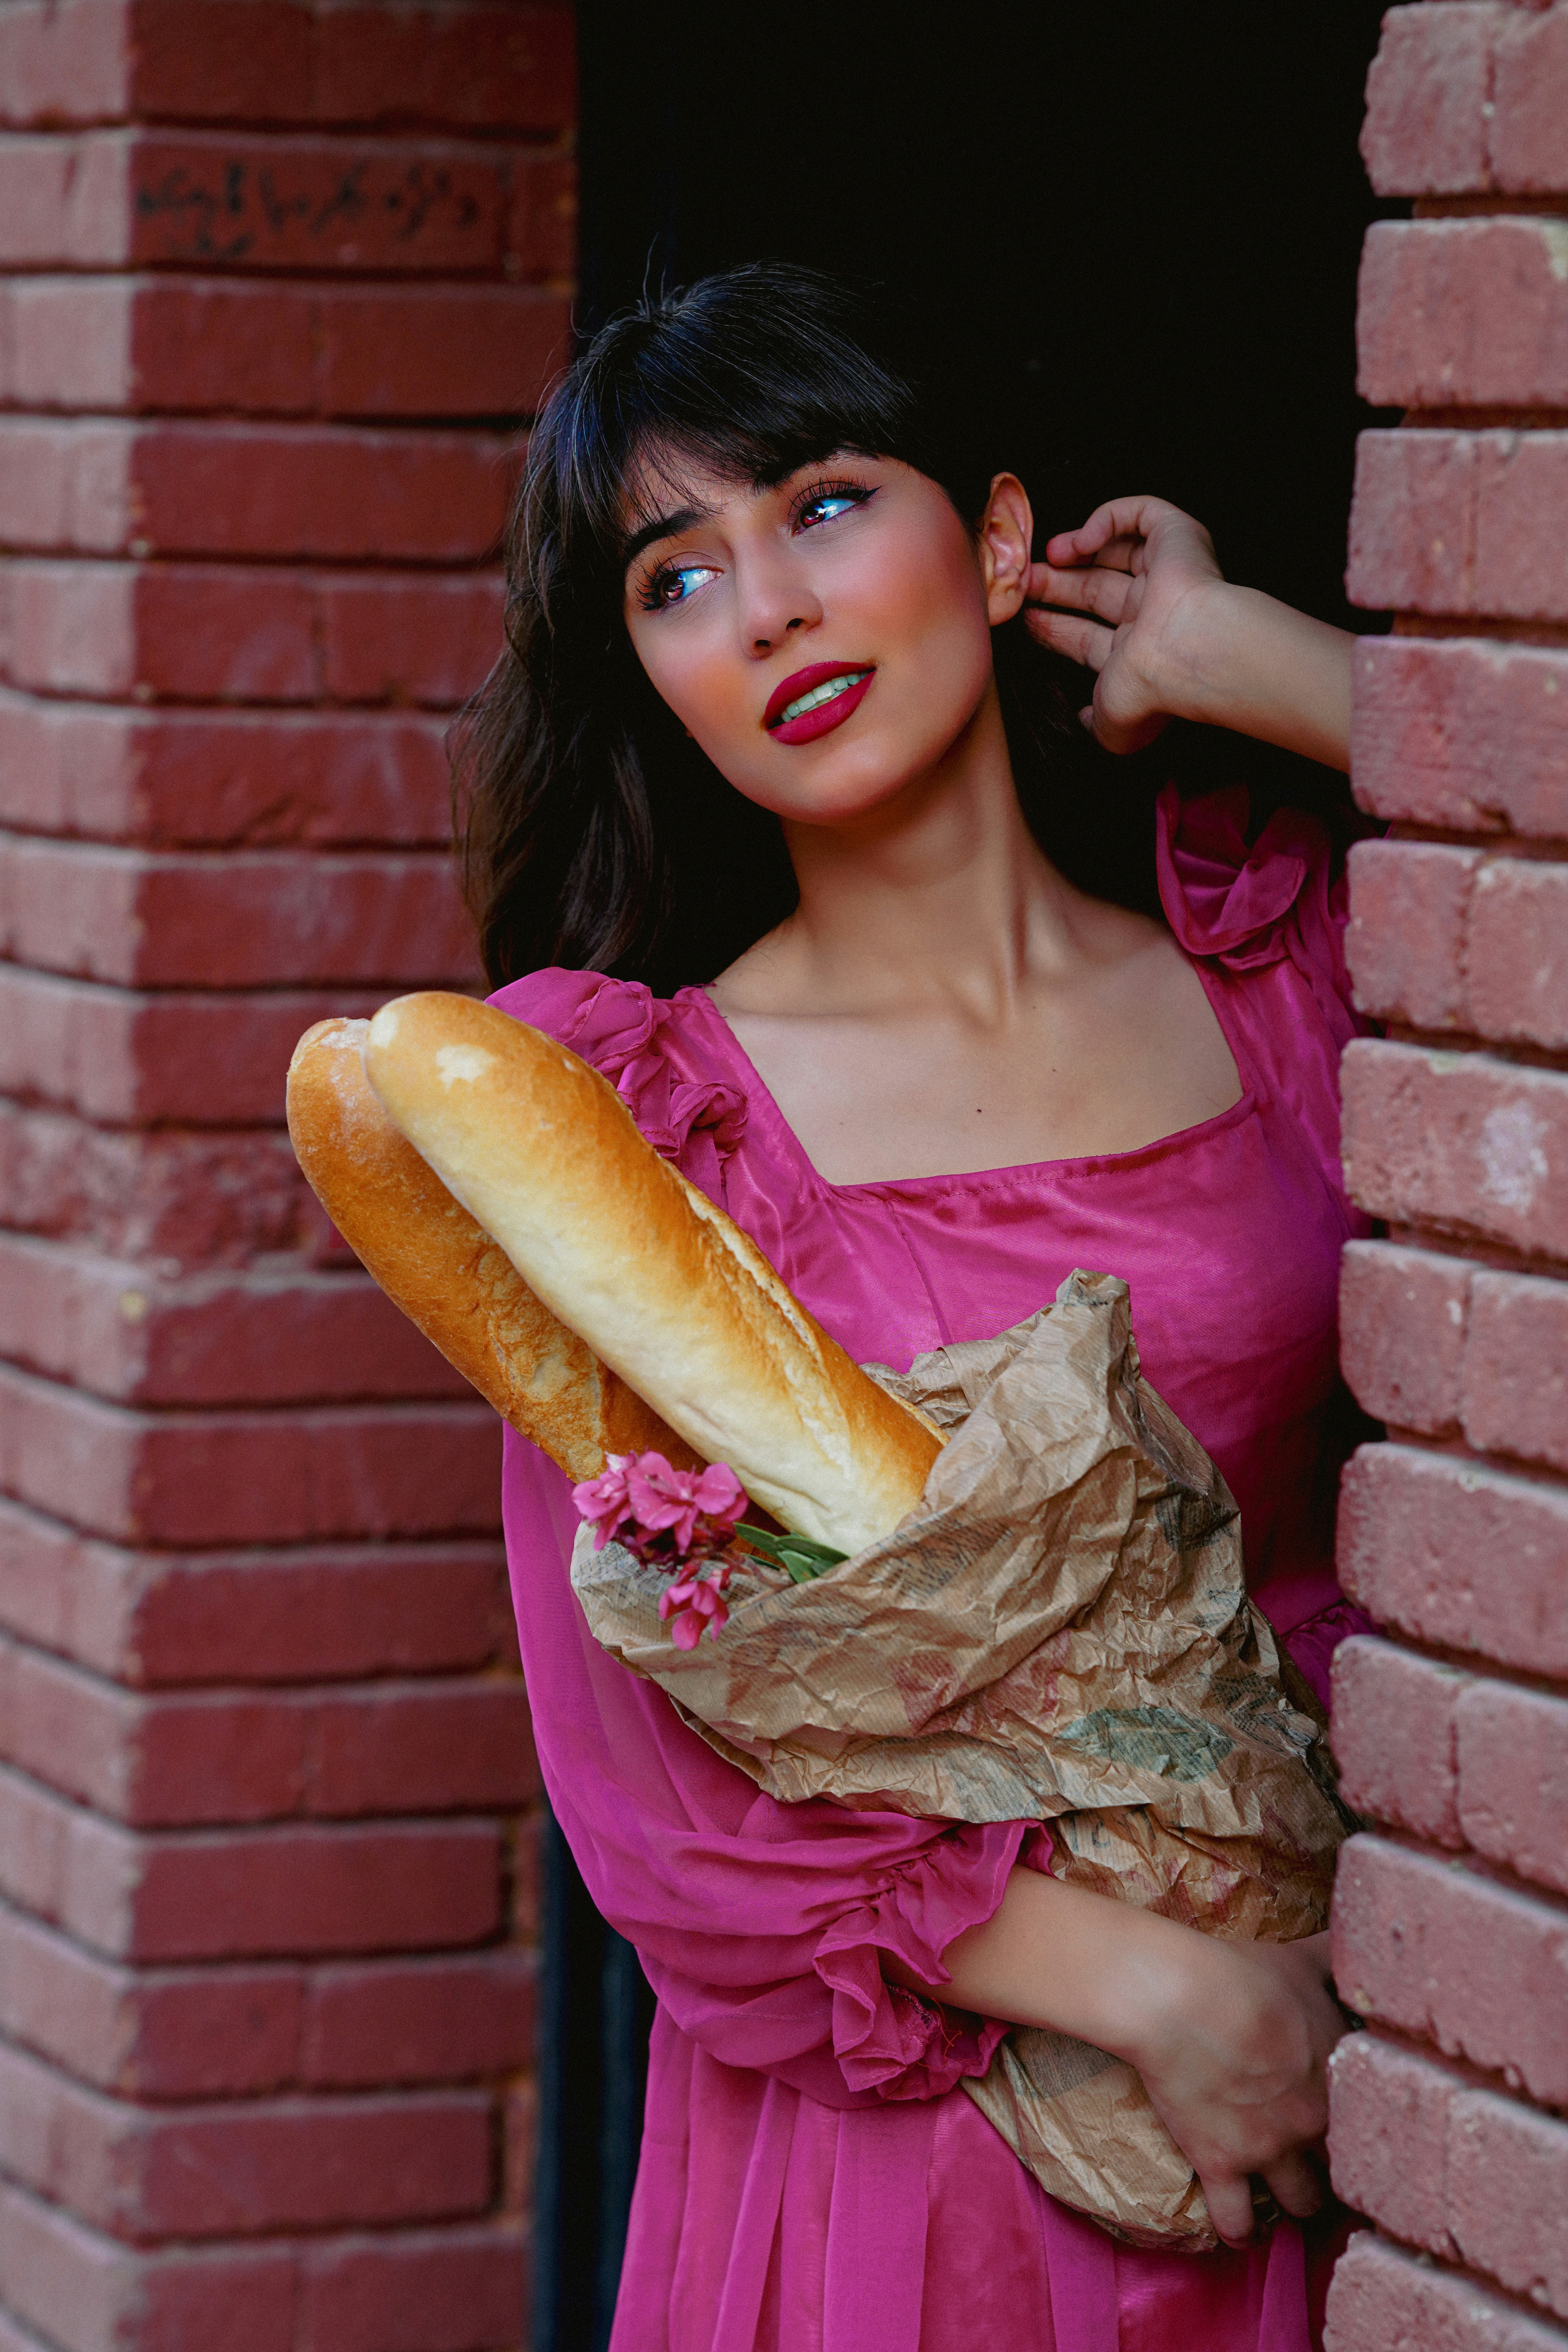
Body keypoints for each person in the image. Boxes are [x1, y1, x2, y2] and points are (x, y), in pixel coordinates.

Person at [457, 263, 1374, 2352]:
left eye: (823, 504)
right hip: (927, 2150)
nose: (769, 610)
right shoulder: (646, 1139)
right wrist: (1159, 1990)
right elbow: (647, 1780)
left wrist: (1246, 660)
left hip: (1355, 2062)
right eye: (678, 579)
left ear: (998, 533)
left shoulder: (1287, 973)